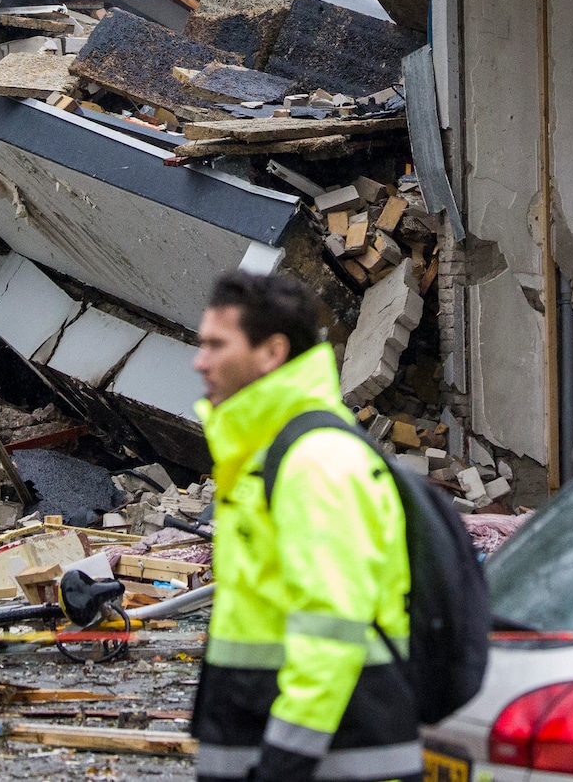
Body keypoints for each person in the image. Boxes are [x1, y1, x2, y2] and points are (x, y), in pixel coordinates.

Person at [192, 269, 419, 782]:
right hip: (273, 745)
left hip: (326, 759)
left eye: (215, 344)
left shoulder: (316, 462)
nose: (199, 360)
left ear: (270, 353)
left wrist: (284, 761)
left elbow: (332, 626)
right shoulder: (266, 454)